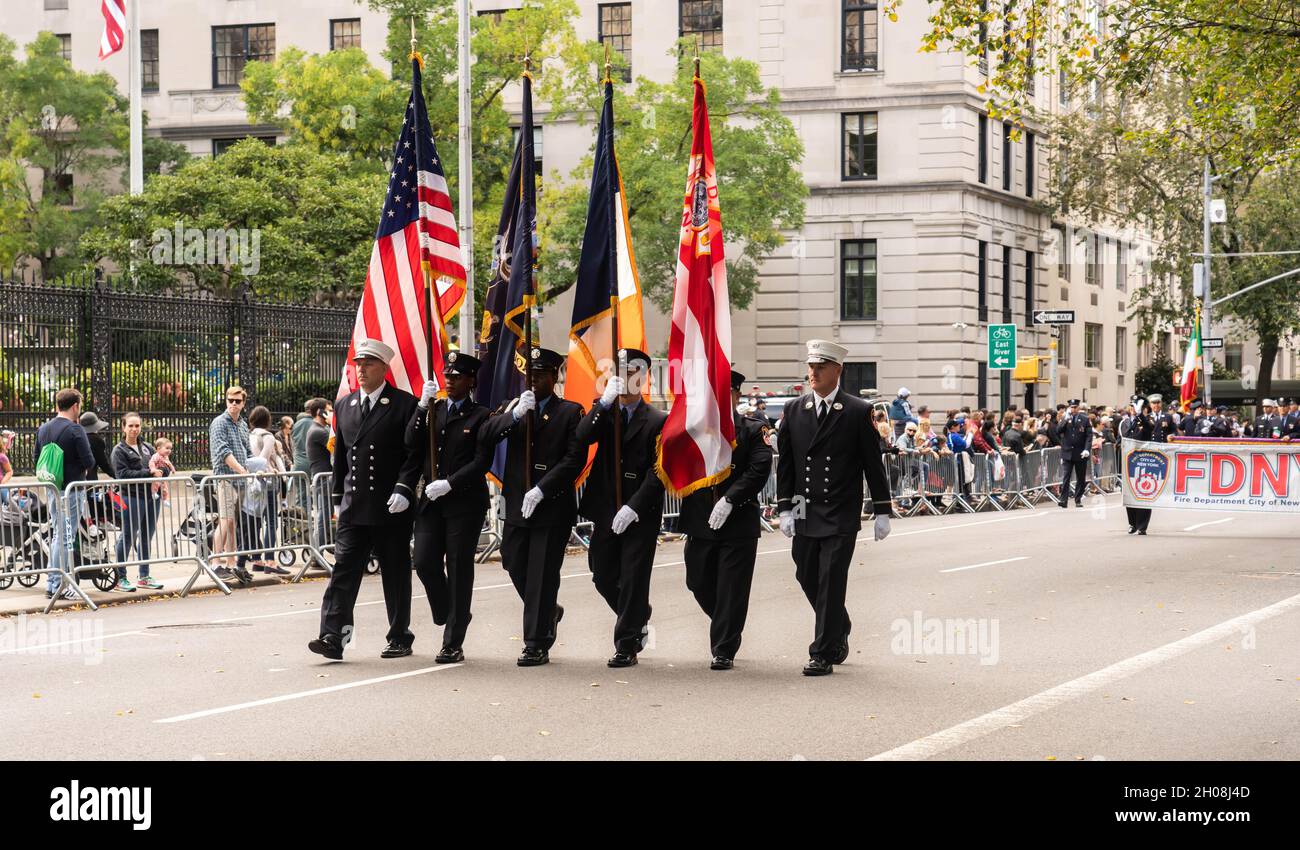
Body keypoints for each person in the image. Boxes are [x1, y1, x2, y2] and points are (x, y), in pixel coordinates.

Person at [776, 340, 892, 677]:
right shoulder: (795, 409)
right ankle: (838, 622)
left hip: (841, 510)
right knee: (804, 572)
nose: (812, 373)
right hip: (803, 507)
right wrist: (786, 508)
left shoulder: (857, 410)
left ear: (837, 371)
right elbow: (788, 466)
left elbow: (873, 464)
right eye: (810, 367)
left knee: (830, 579)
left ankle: (822, 652)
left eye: (820, 367)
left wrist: (881, 510)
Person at [309, 339, 421, 661]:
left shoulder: (404, 405)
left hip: (389, 505)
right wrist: (336, 497)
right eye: (358, 363)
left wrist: (404, 488)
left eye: (368, 364)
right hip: (355, 505)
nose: (361, 369)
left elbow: (413, 455)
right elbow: (341, 458)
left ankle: (400, 635)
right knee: (343, 572)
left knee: (395, 573)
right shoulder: (344, 406)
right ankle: (335, 638)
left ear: (384, 368)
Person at [479, 347, 585, 667]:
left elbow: (573, 459)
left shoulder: (570, 412)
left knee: (540, 575)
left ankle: (536, 642)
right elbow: (484, 436)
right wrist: (512, 415)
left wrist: (542, 488)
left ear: (555, 377)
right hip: (516, 506)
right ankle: (547, 611)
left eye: (541, 375)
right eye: (531, 375)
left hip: (550, 507)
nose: (535, 380)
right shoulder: (514, 408)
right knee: (513, 562)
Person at [574, 349, 668, 669]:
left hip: (639, 513)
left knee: (632, 579)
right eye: (621, 371)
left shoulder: (657, 420)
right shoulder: (607, 412)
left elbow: (659, 472)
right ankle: (638, 614)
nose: (626, 378)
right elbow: (582, 437)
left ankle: (626, 644)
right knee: (602, 576)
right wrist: (602, 403)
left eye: (632, 373)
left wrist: (634, 507)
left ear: (642, 378)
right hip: (605, 510)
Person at [405, 351, 493, 664]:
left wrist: (451, 483)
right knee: (424, 561)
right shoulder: (434, 409)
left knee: (458, 568)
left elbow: (482, 461)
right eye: (447, 377)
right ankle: (448, 611)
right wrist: (419, 407)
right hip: (432, 501)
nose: (449, 382)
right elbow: (410, 442)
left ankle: (453, 641)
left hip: (464, 502)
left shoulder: (481, 415)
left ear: (471, 381)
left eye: (456, 378)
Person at [681, 370, 773, 670]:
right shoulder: (695, 430)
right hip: (700, 521)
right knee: (697, 581)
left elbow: (759, 469)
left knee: (732, 588)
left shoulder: (752, 429)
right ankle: (726, 623)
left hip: (737, 523)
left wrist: (731, 498)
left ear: (736, 395)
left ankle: (724, 647)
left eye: (726, 393)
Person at [36, 389, 97, 600]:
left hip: (53, 487)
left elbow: (37, 457)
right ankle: (57, 584)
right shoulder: (76, 430)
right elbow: (89, 462)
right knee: (65, 537)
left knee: (58, 535)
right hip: (71, 490)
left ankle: (54, 583)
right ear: (75, 406)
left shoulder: (44, 429)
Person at [109, 413, 165, 591]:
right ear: (123, 427)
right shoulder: (119, 450)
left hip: (151, 496)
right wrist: (149, 474)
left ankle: (144, 576)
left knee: (147, 536)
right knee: (128, 535)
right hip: (131, 497)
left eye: (137, 426)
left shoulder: (147, 447)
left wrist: (163, 472)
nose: (134, 429)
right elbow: (122, 474)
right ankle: (120, 578)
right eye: (130, 426)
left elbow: (159, 465)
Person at [209, 386, 253, 586]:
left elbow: (248, 451)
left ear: (243, 403)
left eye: (237, 401)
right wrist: (240, 470)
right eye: (230, 400)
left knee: (233, 522)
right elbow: (222, 452)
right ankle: (215, 563)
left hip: (240, 479)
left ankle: (231, 562)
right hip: (225, 477)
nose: (233, 404)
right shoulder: (219, 423)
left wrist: (261, 467)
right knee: (225, 520)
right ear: (226, 401)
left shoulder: (242, 424)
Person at [247, 405, 290, 575]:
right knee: (271, 522)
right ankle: (270, 561)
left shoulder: (250, 434)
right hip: (268, 480)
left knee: (256, 521)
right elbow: (262, 459)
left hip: (253, 481)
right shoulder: (268, 436)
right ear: (267, 419)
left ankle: (257, 559)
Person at [1126, 393, 1175, 535]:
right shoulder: (1126, 422)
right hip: (1130, 461)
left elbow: (1149, 429)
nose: (1133, 409)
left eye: (1137, 407)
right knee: (1130, 493)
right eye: (1132, 406)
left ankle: (1142, 526)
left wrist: (1140, 415)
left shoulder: (1145, 420)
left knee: (1145, 491)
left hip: (1147, 460)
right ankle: (1132, 523)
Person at [304, 398, 333, 551]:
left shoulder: (317, 429)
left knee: (325, 514)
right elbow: (337, 444)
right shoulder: (319, 431)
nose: (332, 413)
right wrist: (332, 423)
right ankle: (319, 551)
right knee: (324, 516)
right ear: (320, 412)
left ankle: (320, 549)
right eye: (329, 410)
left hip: (323, 477)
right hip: (324, 478)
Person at [1056, 398, 1091, 508]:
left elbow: (1089, 436)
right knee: (1066, 477)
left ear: (1078, 407)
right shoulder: (1065, 418)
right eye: (1071, 407)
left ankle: (1078, 499)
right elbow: (1058, 431)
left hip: (1080, 452)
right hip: (1067, 452)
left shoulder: (1085, 419)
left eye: (1075, 407)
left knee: (1081, 477)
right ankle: (1063, 500)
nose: (1073, 409)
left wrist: (1087, 449)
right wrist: (1065, 420)